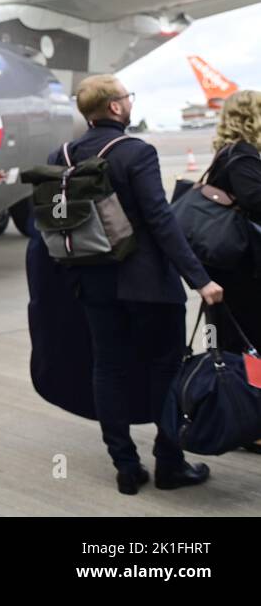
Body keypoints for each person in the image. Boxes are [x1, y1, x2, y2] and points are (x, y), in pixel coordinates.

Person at [55, 74, 223, 495]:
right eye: (128, 97)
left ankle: (125, 466)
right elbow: (160, 220)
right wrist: (199, 279)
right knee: (165, 371)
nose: (130, 103)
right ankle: (170, 463)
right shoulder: (135, 152)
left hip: (94, 285)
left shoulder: (63, 156)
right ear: (115, 107)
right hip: (148, 287)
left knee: (108, 368)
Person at [199, 90, 261, 358]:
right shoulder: (243, 155)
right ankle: (245, 394)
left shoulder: (227, 153)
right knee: (246, 342)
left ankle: (233, 386)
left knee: (224, 338)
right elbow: (254, 199)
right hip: (241, 269)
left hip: (224, 262)